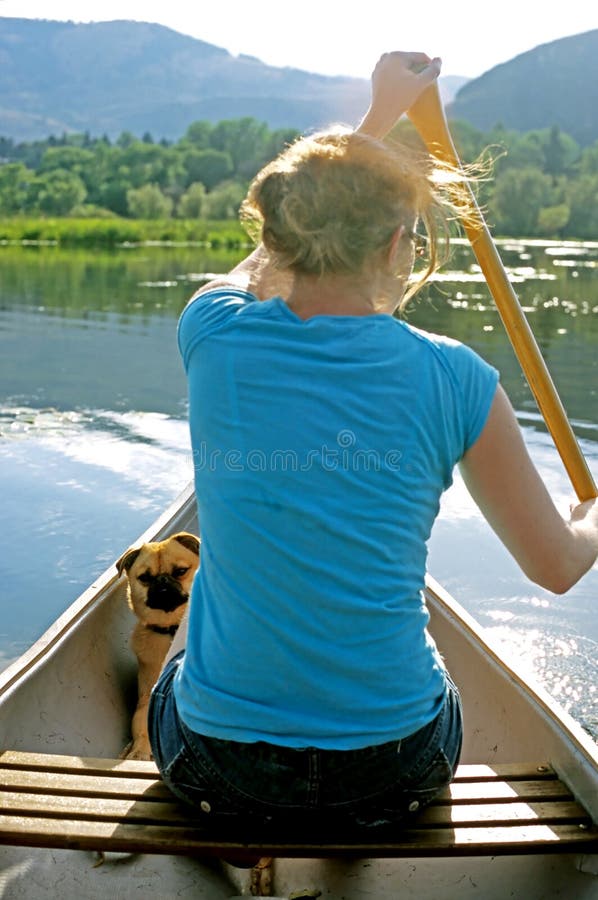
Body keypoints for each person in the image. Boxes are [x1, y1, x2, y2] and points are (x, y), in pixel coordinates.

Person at [147, 51, 598, 838]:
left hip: (218, 770)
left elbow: (256, 269)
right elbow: (557, 566)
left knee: (192, 627)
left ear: (282, 230)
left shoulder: (212, 336)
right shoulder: (458, 378)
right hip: (392, 777)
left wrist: (377, 118)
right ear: (399, 247)